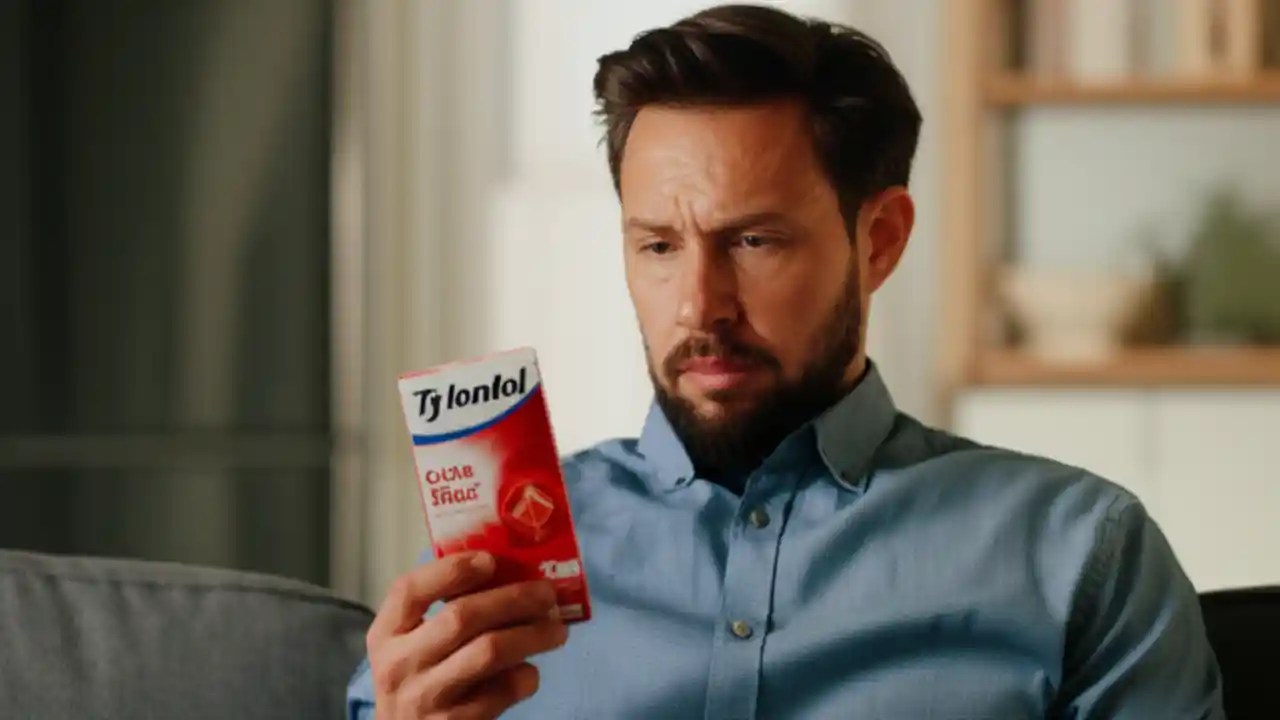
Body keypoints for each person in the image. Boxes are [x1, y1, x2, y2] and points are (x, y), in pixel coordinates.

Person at [347, 5, 1224, 718]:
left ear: (878, 241)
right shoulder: (492, 577)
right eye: (658, 246)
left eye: (755, 240)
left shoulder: (1079, 553)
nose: (700, 305)